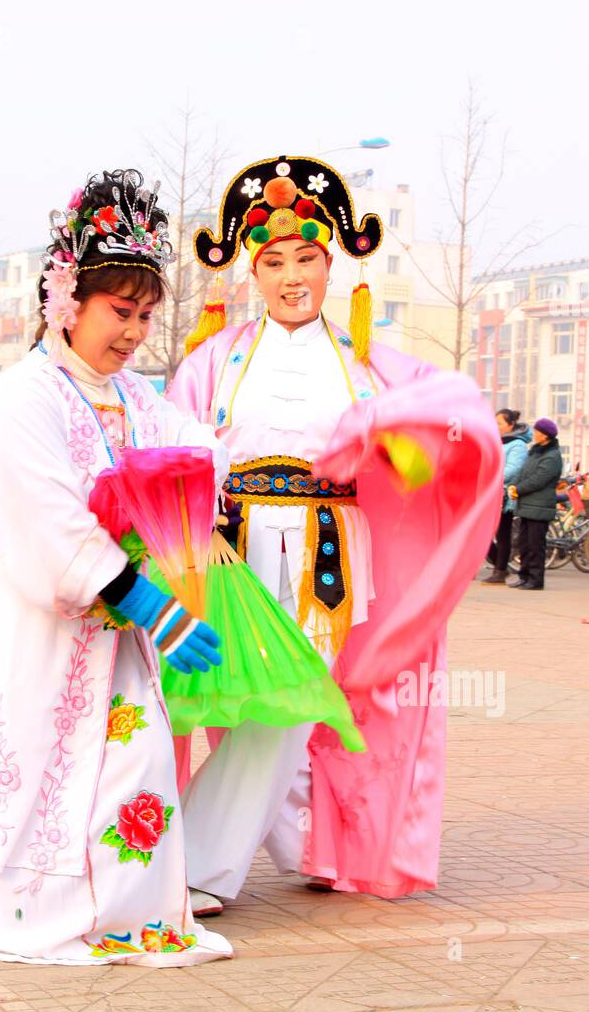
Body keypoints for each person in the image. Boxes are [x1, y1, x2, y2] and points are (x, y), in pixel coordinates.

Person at [0, 168, 233, 967]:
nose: (134, 333)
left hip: (114, 639)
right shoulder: (23, 398)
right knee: (26, 781)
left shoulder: (137, 400)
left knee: (131, 765)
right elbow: (49, 525)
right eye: (121, 311)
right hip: (30, 636)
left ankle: (128, 914)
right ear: (66, 299)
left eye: (146, 316)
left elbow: (207, 451)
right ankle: (13, 911)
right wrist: (156, 606)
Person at [169, 155, 501, 905]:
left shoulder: (372, 366)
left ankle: (200, 866)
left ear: (332, 263)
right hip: (237, 551)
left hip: (332, 555)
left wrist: (411, 453)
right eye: (275, 261)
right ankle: (300, 847)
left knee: (302, 701)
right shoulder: (210, 363)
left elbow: (428, 436)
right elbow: (178, 447)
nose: (292, 277)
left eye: (307, 259)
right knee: (258, 703)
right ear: (252, 273)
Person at [507, 417, 563, 590]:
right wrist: (513, 485)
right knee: (523, 544)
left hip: (539, 506)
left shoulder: (553, 456)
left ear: (546, 435)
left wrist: (519, 489)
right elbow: (523, 472)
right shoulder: (535, 452)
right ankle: (524, 576)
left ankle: (536, 579)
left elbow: (538, 480)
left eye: (538, 431)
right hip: (526, 505)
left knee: (536, 545)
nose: (535, 434)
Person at [481, 408, 531, 583]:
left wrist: (489, 476)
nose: (496, 426)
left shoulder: (517, 445)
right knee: (482, 535)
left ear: (511, 425)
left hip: (504, 496)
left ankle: (500, 570)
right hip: (490, 494)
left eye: (499, 423)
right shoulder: (497, 442)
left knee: (503, 534)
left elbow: (512, 470)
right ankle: (500, 565)